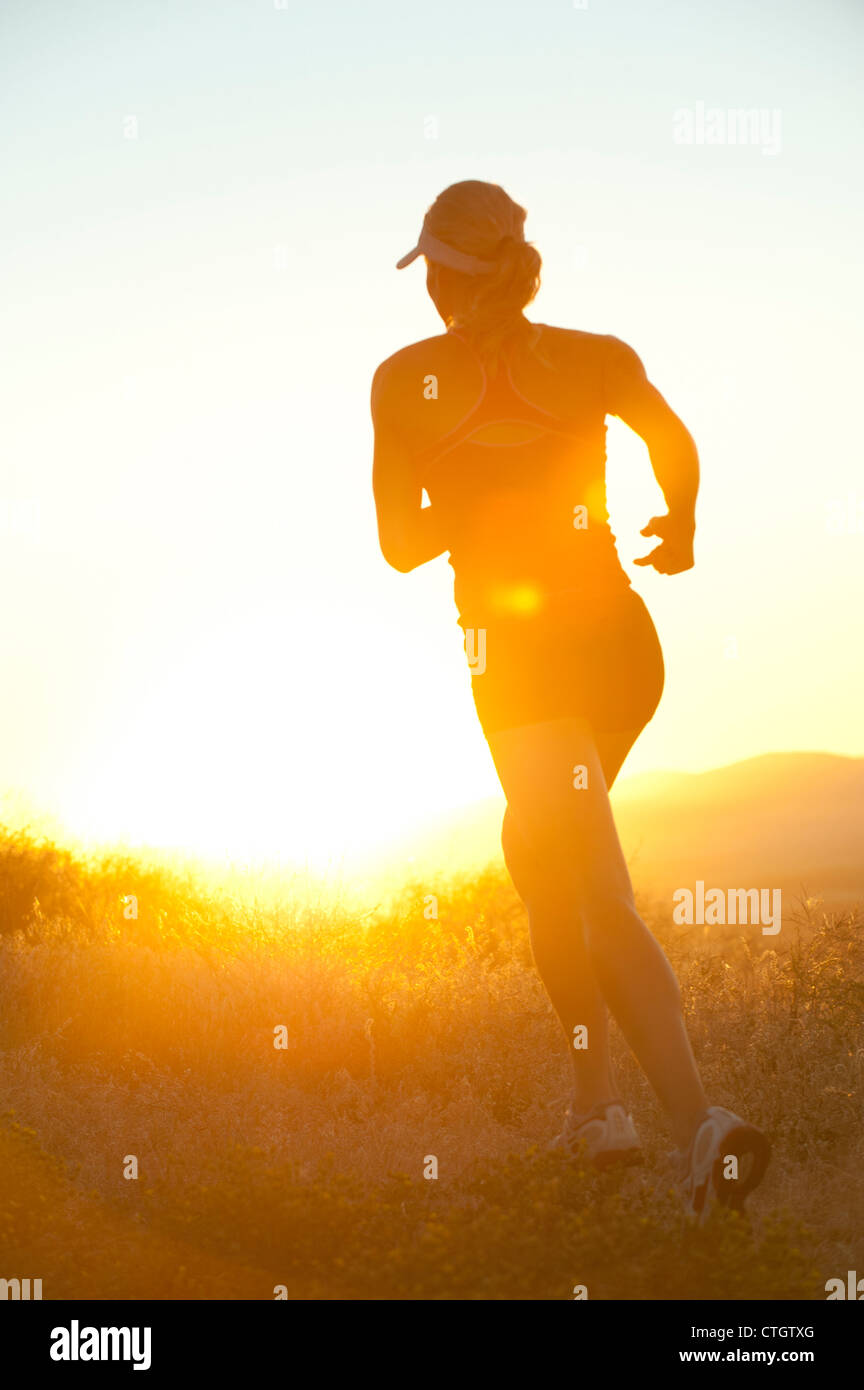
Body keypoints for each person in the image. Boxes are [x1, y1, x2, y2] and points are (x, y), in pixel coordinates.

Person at [371, 179, 769, 1220]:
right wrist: (678, 528)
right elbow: (671, 440)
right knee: (540, 861)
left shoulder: (404, 380)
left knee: (589, 888)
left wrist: (471, 499)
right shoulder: (596, 355)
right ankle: (598, 1111)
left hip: (520, 658)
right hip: (624, 649)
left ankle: (700, 1131)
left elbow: (400, 545)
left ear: (444, 281)